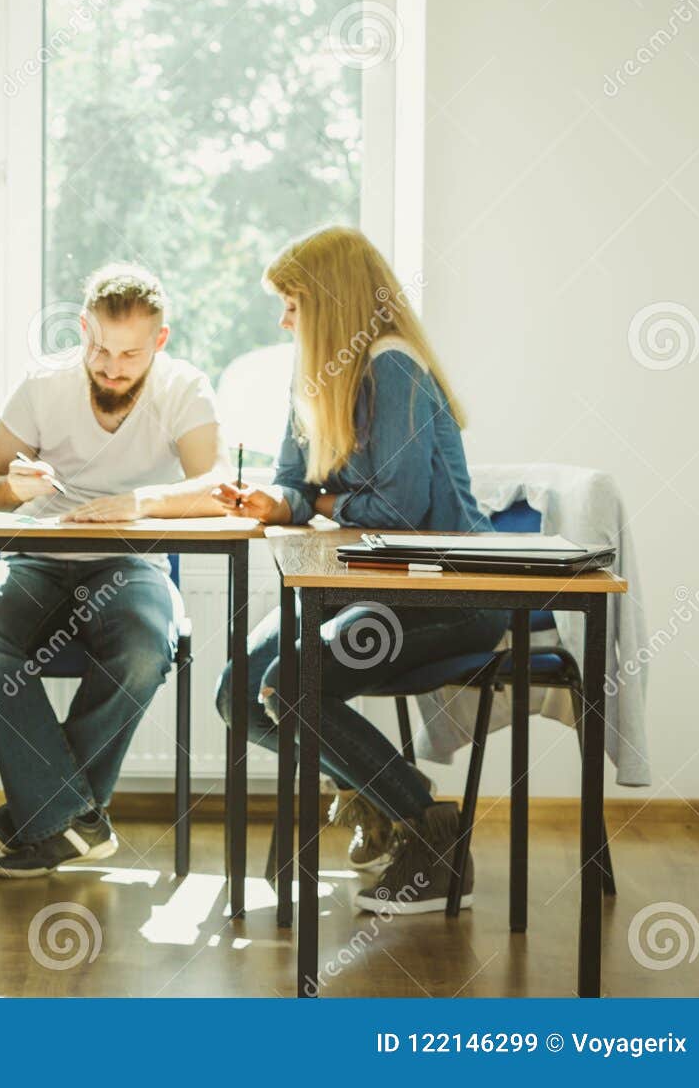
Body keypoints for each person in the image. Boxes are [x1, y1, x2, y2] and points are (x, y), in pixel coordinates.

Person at [211, 225, 505, 915]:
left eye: (293, 305)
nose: (284, 321)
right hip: (370, 588)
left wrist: (317, 501)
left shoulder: (393, 366)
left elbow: (399, 511)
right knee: (238, 694)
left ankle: (432, 836)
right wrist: (277, 500)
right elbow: (294, 480)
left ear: (331, 303)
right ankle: (386, 796)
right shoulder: (314, 375)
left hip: (454, 594)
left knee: (290, 686)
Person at [0, 263, 222, 878]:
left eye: (130, 354)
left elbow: (216, 486)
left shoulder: (184, 389)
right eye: (99, 349)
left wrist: (139, 503)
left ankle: (39, 818)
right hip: (36, 555)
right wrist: (13, 488)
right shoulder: (43, 385)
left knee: (145, 649)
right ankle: (70, 819)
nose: (111, 368)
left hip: (131, 561)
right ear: (81, 330)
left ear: (160, 340)